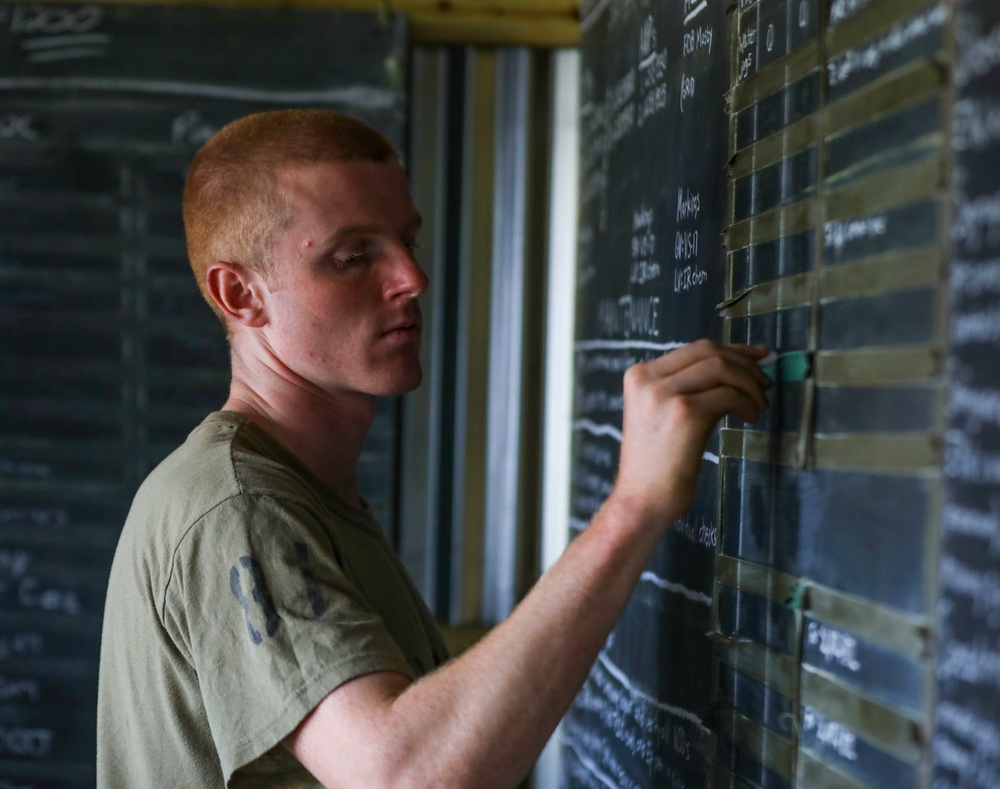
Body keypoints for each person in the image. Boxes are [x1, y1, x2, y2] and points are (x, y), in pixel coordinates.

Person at [96, 109, 770, 788]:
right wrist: (636, 505)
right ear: (240, 295)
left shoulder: (306, 492)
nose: (412, 276)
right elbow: (406, 777)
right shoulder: (238, 506)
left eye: (407, 240)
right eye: (352, 257)